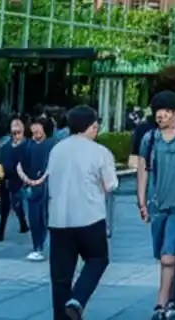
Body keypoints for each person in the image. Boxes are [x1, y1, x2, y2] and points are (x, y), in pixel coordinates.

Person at [47, 105, 118, 320]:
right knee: (97, 259)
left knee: (61, 277)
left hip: (59, 220)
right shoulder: (99, 152)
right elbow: (110, 185)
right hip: (89, 217)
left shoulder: (56, 149)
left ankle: (62, 316)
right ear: (93, 126)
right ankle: (77, 300)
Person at [137, 91, 175, 320]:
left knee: (169, 257)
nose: (160, 115)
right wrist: (141, 200)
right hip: (156, 204)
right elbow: (143, 169)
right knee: (163, 255)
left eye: (165, 111)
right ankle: (172, 298)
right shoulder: (150, 138)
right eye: (157, 111)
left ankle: (160, 306)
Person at [18, 116, 55, 261]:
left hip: (47, 186)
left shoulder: (52, 144)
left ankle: (44, 246)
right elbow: (20, 163)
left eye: (38, 128)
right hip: (31, 185)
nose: (35, 132)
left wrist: (41, 179)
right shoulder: (28, 145)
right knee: (34, 217)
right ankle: (37, 246)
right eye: (33, 129)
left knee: (46, 216)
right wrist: (27, 180)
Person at [0, 116, 31, 242]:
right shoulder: (5, 146)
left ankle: (23, 222)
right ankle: (1, 232)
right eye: (13, 124)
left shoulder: (28, 145)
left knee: (17, 201)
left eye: (19, 124)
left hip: (19, 178)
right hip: (5, 178)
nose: (16, 126)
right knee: (4, 206)